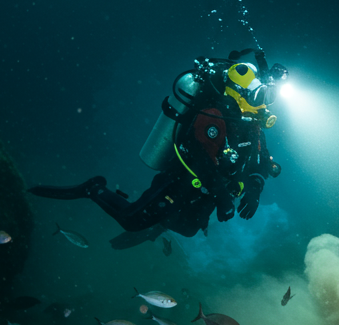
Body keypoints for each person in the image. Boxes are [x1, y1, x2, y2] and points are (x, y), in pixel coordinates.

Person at [29, 49, 285, 244]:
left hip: (210, 193)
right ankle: (93, 188)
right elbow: (200, 160)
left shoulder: (252, 124)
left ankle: (160, 220)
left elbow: (262, 161)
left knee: (187, 229)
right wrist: (222, 196)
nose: (265, 105)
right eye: (261, 97)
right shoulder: (213, 115)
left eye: (268, 98)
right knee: (131, 220)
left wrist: (254, 189)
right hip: (180, 183)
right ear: (239, 94)